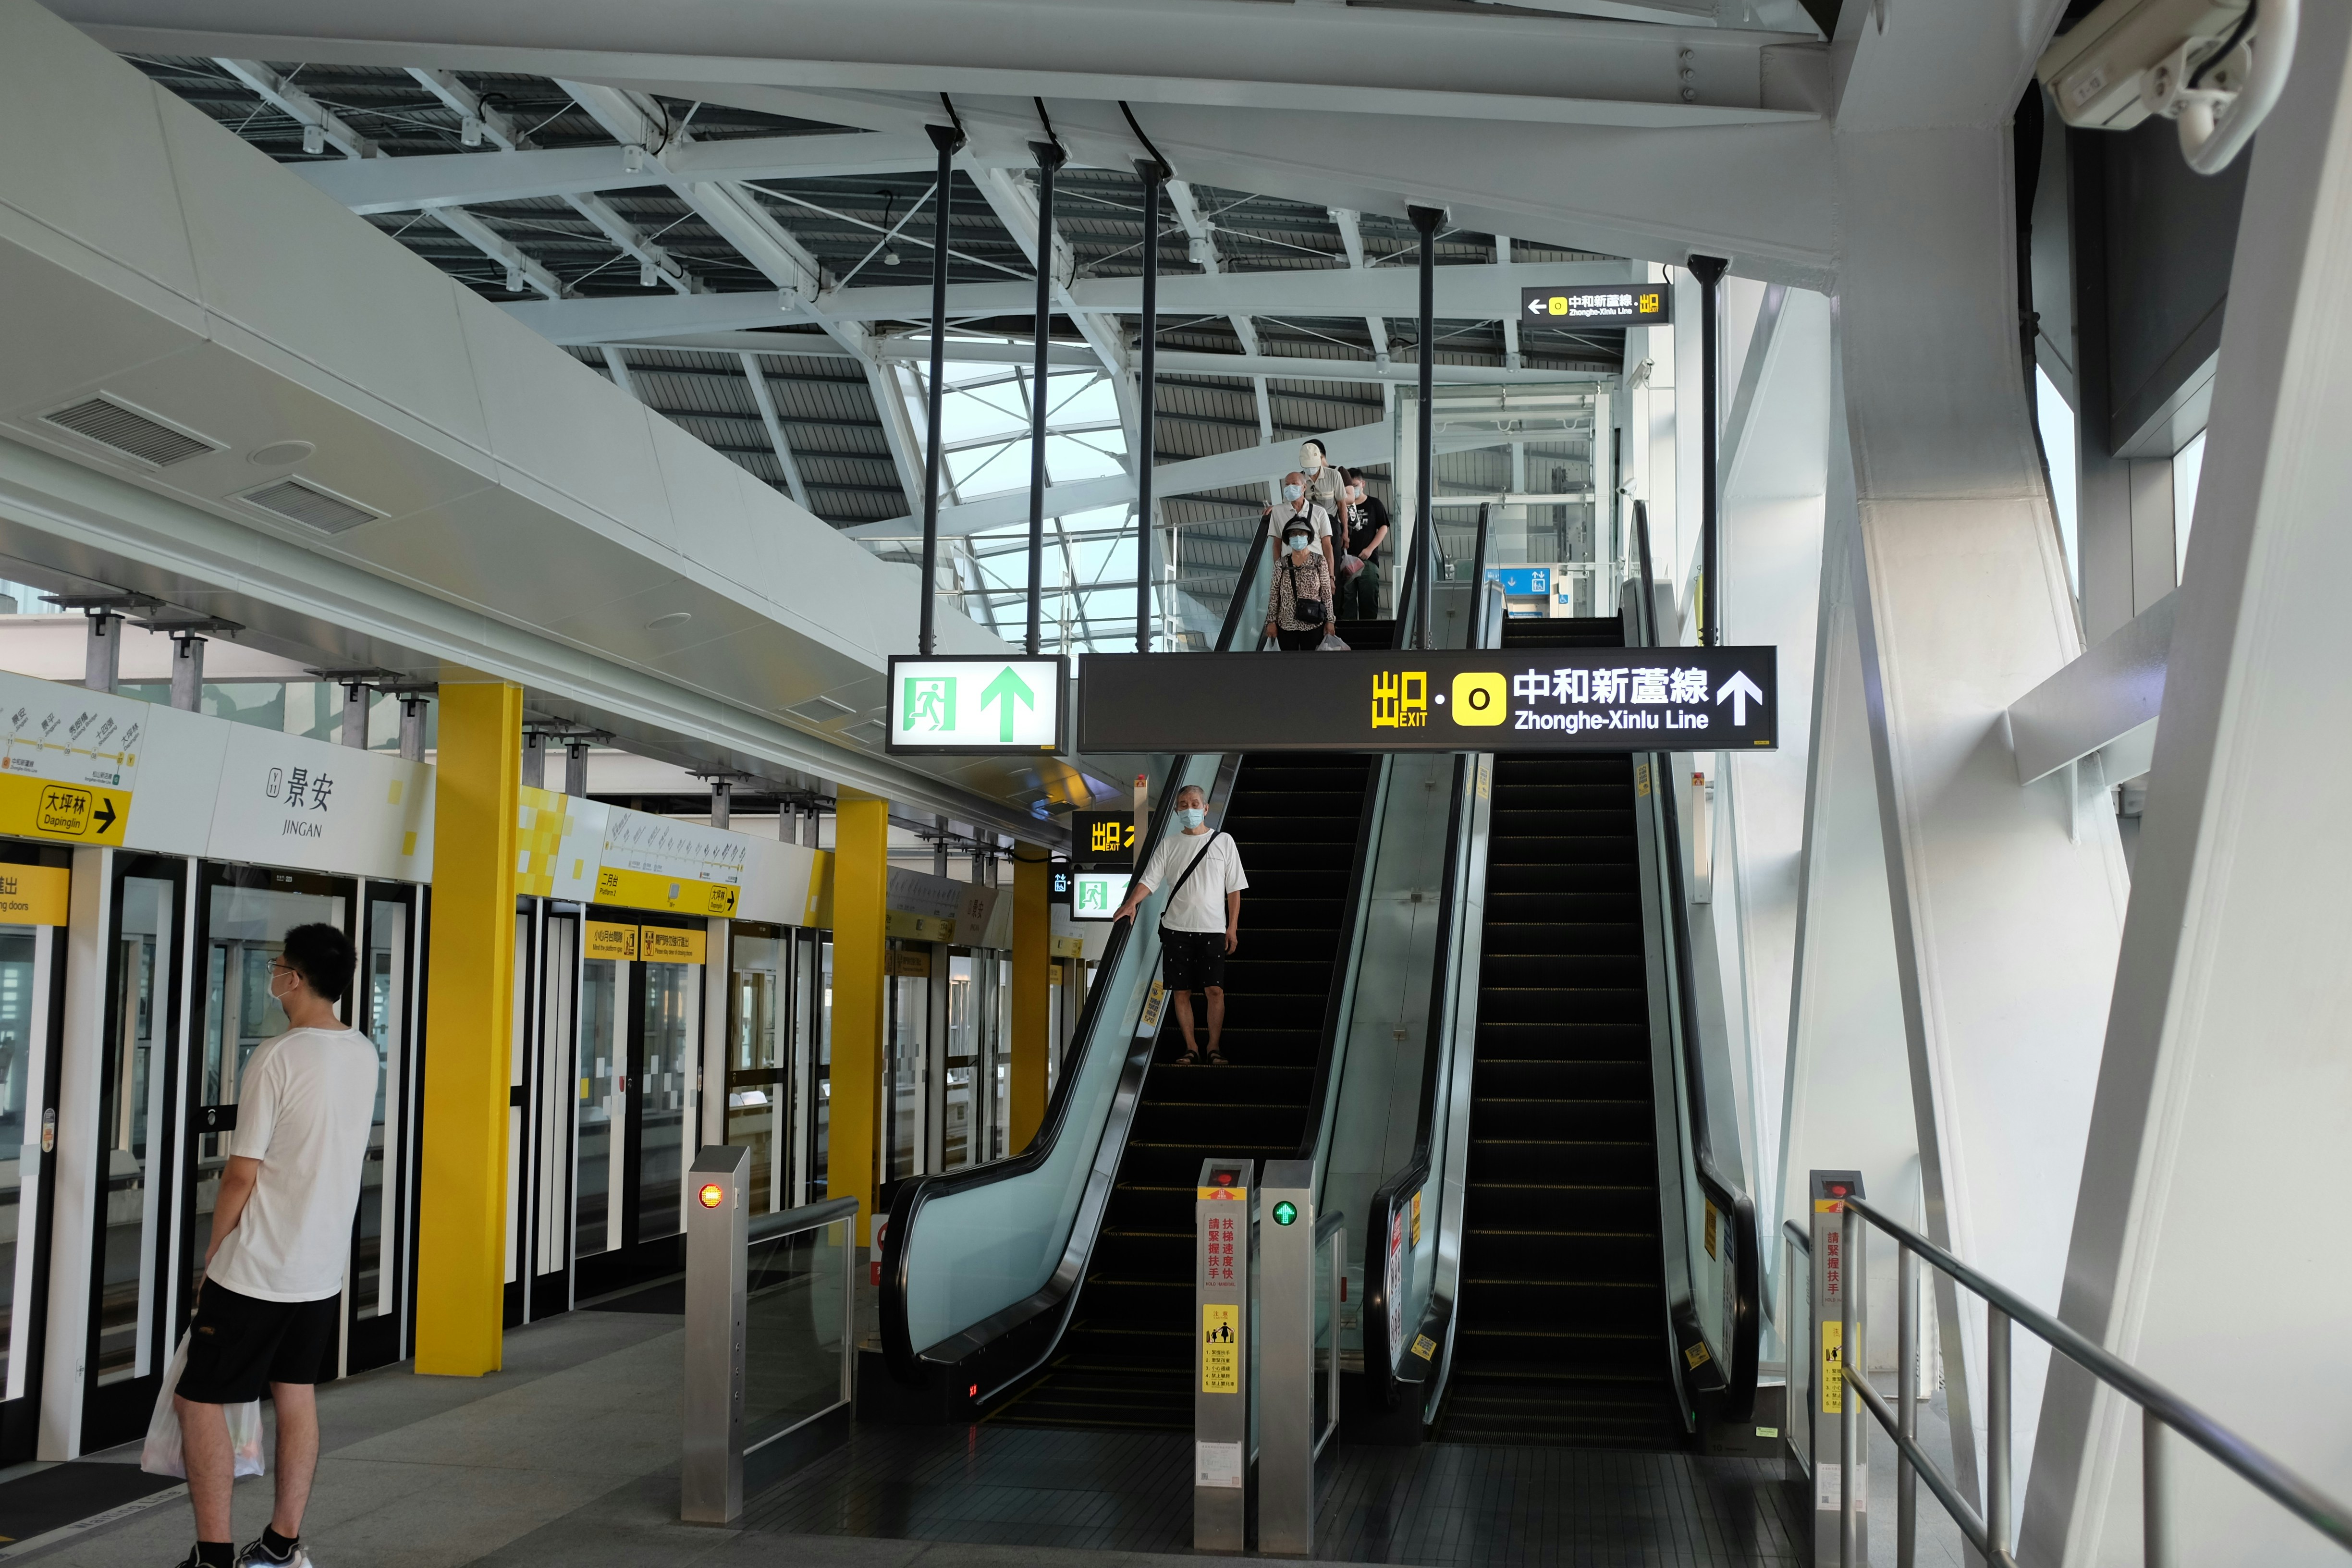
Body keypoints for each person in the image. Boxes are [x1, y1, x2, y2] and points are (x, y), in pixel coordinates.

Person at [173, 923, 376, 1568]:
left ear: (296, 978)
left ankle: (214, 1556)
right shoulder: (363, 1051)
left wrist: (214, 1254)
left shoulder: (279, 1055)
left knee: (197, 1398)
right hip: (319, 1269)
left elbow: (241, 1172)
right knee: (295, 1393)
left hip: (258, 1265)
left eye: (279, 965)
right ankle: (281, 1547)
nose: (275, 974)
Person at [1110, 784, 1247, 1065]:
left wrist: (1232, 927)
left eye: (1194, 804)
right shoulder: (1170, 844)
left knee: (1214, 990)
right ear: (1176, 811)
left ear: (1206, 809)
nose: (1189, 809)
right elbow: (1150, 880)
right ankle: (1191, 1047)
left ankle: (1214, 1047)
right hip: (1176, 929)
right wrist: (1131, 903)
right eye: (1183, 805)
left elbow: (1234, 889)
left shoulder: (1224, 842)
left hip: (1213, 930)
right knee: (1181, 991)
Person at [1265, 513, 1338, 650]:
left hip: (1313, 622)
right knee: (1289, 664)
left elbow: (1326, 593)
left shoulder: (1319, 561)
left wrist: (1330, 620)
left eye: (1301, 533)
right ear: (1288, 538)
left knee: (1311, 664)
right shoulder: (1281, 563)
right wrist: (1271, 622)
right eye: (1293, 534)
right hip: (1286, 624)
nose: (1297, 537)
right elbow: (1274, 594)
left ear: (1308, 536)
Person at [1335, 468, 1391, 621]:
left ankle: (1369, 635)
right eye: (1349, 486)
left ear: (1363, 484)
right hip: (1346, 561)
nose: (1353, 489)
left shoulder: (1374, 504)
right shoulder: (1341, 505)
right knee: (1347, 601)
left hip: (1367, 560)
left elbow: (1384, 528)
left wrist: (1369, 549)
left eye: (1355, 485)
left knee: (1369, 599)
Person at [1263, 470, 1338, 575]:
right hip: (1290, 571)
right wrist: (1279, 572)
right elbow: (1277, 545)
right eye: (1287, 484)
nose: (1290, 487)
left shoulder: (1319, 512)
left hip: (1316, 570)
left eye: (1294, 484)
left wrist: (1330, 575)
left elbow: (1327, 546)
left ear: (1304, 488)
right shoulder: (1278, 511)